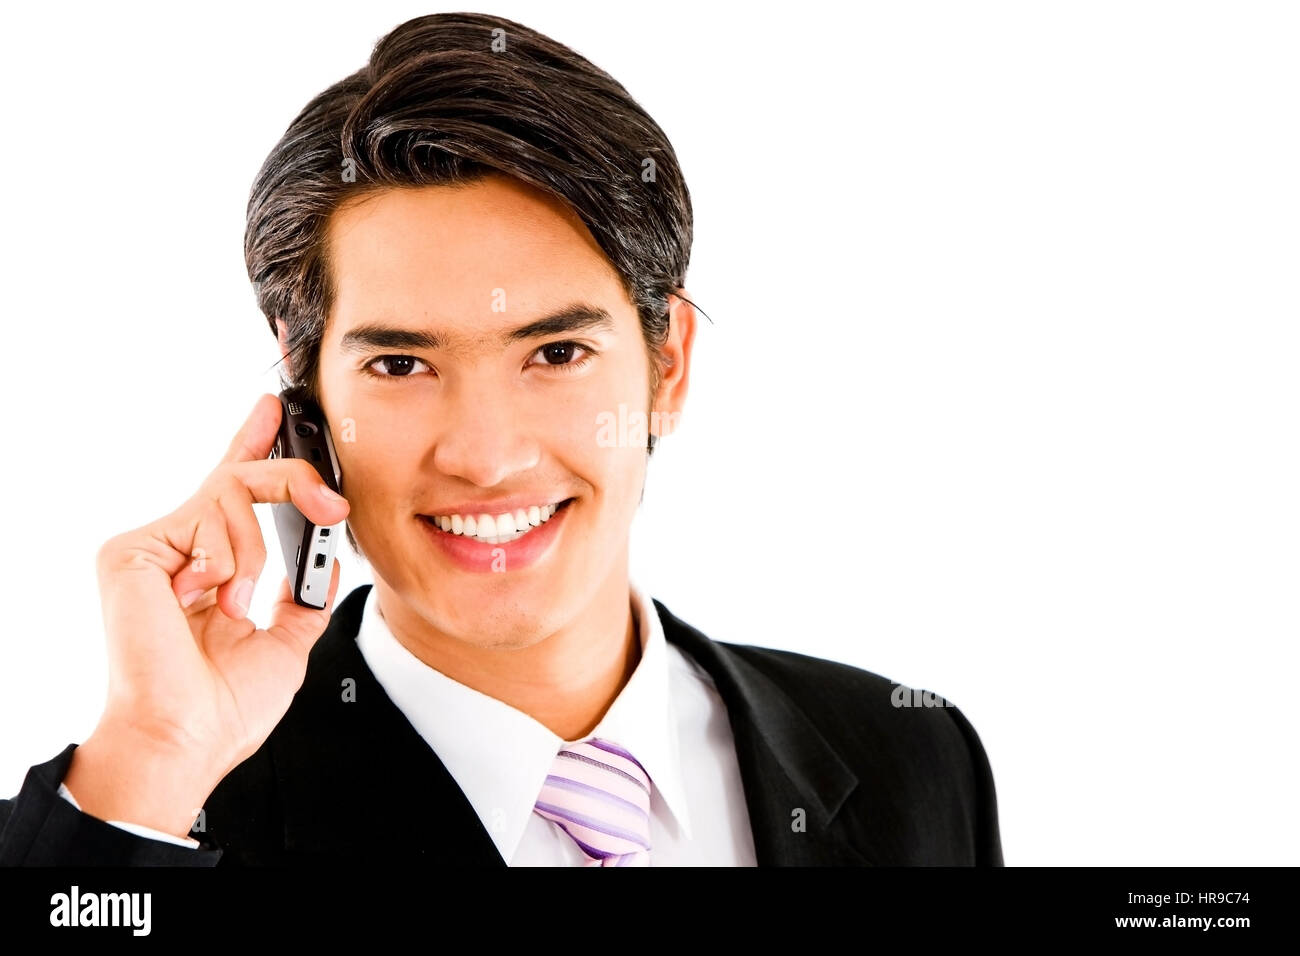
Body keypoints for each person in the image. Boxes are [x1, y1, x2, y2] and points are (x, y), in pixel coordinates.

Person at [0, 12, 1002, 866]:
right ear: (303, 394)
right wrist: (151, 757)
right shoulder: (171, 811)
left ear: (669, 363)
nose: (484, 456)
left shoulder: (907, 753)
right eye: (399, 365)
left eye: (556, 351)